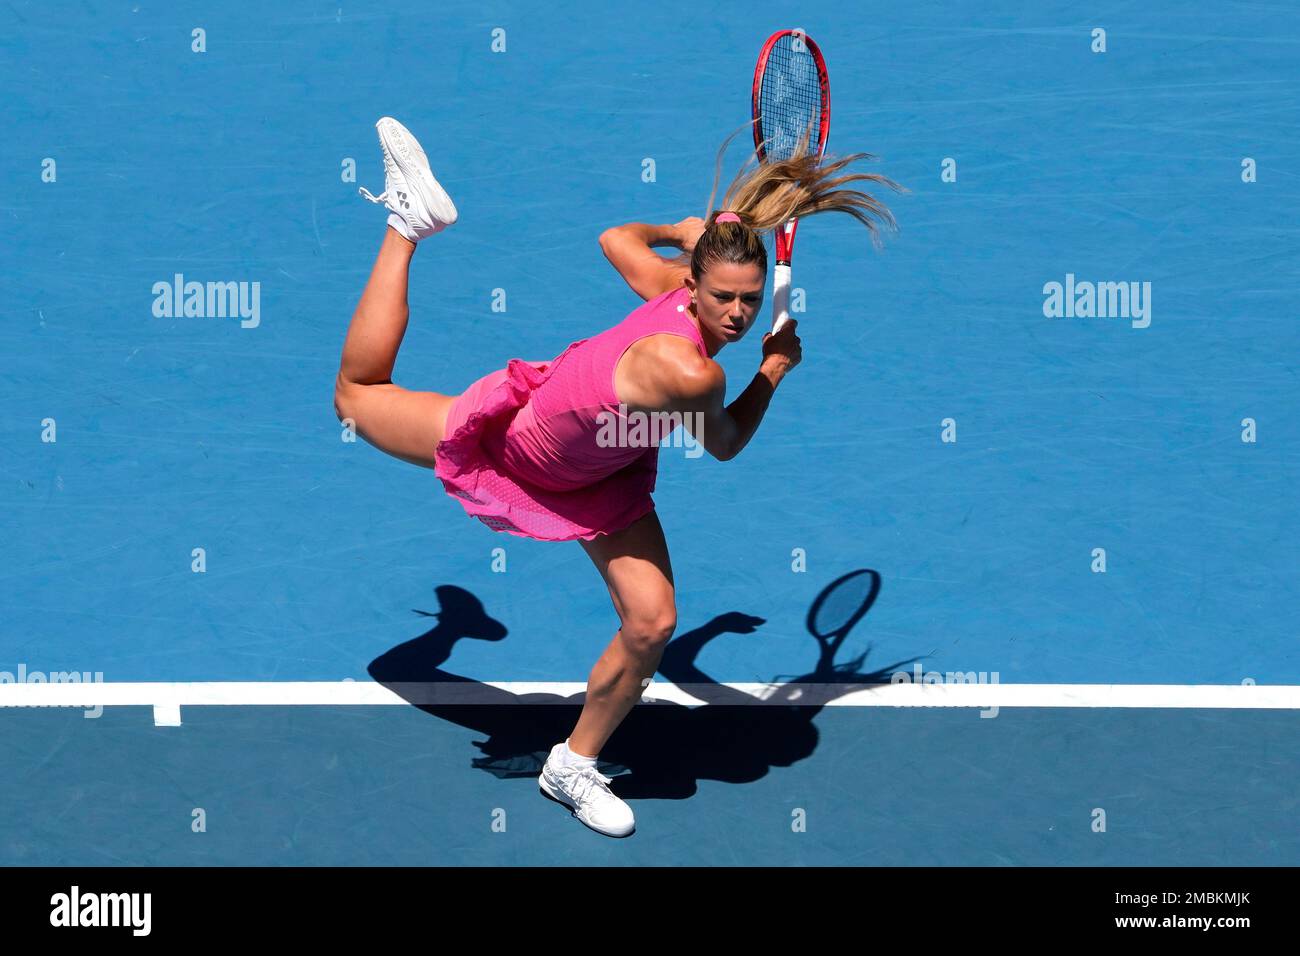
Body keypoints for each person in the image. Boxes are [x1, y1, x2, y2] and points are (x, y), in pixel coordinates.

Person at [334, 117, 898, 837]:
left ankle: (571, 765)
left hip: (607, 473)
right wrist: (771, 371)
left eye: (750, 301)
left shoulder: (670, 282)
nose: (737, 313)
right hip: (523, 450)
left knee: (653, 622)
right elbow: (724, 445)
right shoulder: (692, 371)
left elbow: (616, 239)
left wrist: (676, 231)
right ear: (693, 289)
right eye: (723, 297)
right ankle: (409, 222)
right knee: (357, 396)